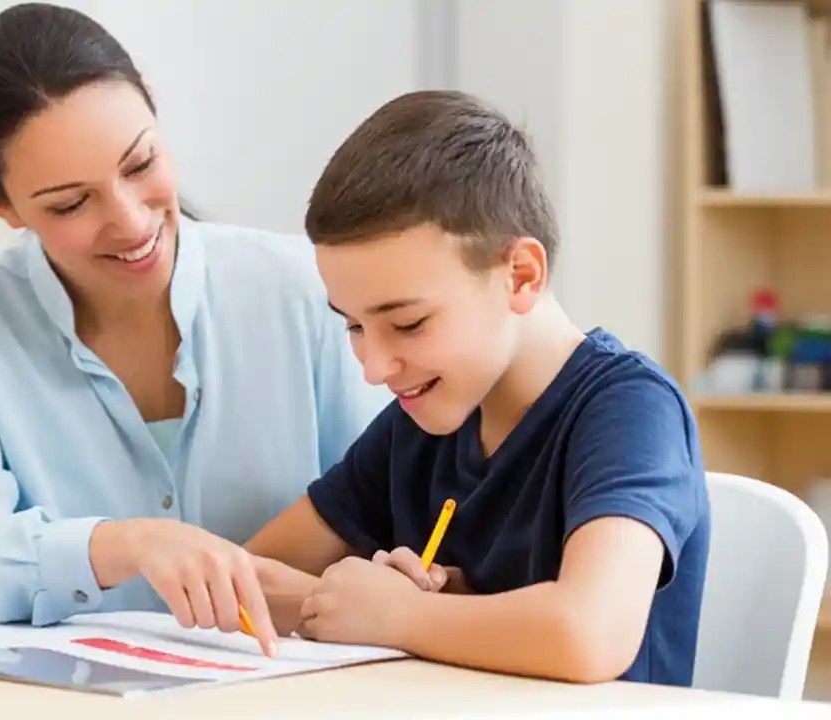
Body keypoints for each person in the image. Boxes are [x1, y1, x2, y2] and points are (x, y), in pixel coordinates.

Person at [0, 2, 383, 654]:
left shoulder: (306, 290)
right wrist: (123, 543)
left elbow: (396, 507)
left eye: (140, 163)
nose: (129, 221)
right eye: (71, 203)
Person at [246, 90, 710, 686]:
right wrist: (395, 609)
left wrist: (404, 615)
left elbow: (590, 634)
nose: (374, 366)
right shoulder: (422, 419)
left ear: (520, 275)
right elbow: (251, 575)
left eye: (408, 323)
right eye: (355, 326)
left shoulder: (631, 410)